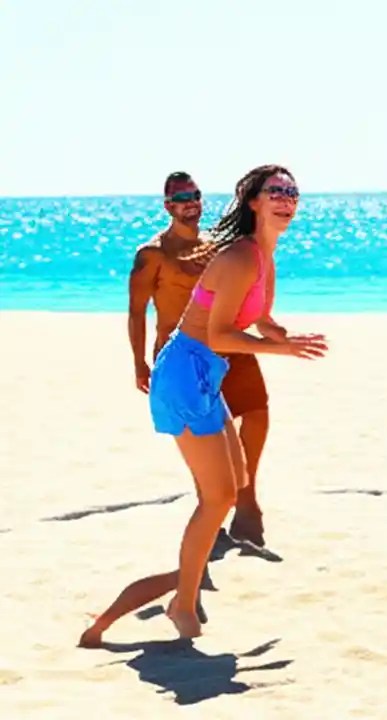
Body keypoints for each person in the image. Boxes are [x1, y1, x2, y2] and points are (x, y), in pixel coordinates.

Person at [82, 165, 327, 644]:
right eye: (275, 191)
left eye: (292, 191)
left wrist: (281, 334)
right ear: (253, 200)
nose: (286, 199)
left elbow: (254, 315)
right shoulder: (240, 256)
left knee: (232, 489)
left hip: (204, 375)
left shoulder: (261, 254)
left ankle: (181, 587)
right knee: (216, 498)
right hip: (184, 375)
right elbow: (218, 333)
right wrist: (282, 350)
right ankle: (182, 598)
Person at [127, 172, 274, 547]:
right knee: (202, 433)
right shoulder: (153, 254)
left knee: (257, 412)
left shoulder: (216, 249)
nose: (190, 202)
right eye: (181, 197)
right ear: (168, 206)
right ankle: (214, 511)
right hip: (183, 355)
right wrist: (140, 362)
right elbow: (136, 311)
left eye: (195, 194)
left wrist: (264, 321)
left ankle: (247, 497)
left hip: (227, 346)